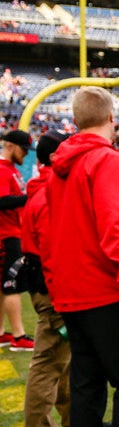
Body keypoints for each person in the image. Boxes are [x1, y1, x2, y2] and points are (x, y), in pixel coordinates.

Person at [43, 87, 119, 427]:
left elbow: (50, 234)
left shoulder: (57, 170)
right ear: (112, 119)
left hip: (72, 292)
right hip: (108, 289)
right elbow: (114, 231)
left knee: (87, 381)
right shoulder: (106, 161)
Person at [18, 130, 72, 427]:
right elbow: (55, 252)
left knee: (62, 361)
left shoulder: (43, 188)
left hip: (46, 285)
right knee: (49, 363)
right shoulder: (51, 194)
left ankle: (71, 424)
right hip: (53, 289)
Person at [0, 128, 33, 351]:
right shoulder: (3, 170)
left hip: (12, 233)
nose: (25, 155)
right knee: (11, 286)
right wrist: (29, 197)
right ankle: (19, 336)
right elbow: (1, 201)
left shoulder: (11, 170)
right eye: (23, 149)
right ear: (10, 146)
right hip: (6, 235)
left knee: (4, 287)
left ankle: (1, 333)